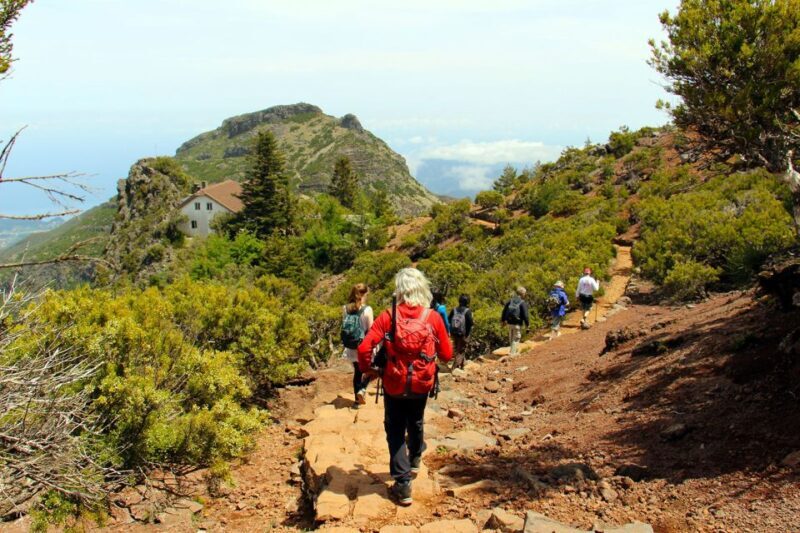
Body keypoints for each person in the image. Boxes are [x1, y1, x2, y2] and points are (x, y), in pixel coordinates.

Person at [358, 268, 452, 506]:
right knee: (416, 419)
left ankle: (402, 484)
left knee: (395, 428)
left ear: (399, 290)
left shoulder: (389, 316)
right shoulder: (432, 317)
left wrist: (369, 369)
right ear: (423, 288)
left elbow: (364, 349)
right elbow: (447, 354)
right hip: (421, 382)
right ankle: (416, 457)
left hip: (394, 381)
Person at [341, 283, 374, 407]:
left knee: (357, 371)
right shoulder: (367, 310)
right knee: (371, 370)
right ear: (364, 294)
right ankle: (362, 389)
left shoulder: (345, 308)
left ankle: (356, 401)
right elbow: (371, 330)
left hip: (351, 345)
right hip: (363, 345)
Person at [501, 286, 530, 355]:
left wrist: (503, 320)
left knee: (511, 338)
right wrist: (527, 325)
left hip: (509, 323)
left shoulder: (510, 300)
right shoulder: (522, 303)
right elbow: (525, 315)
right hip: (517, 324)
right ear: (523, 294)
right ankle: (512, 354)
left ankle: (512, 351)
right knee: (516, 338)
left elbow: (504, 311)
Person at [448, 294, 474, 370]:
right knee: (461, 351)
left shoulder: (454, 310)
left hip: (454, 332)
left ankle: (462, 366)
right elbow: (471, 323)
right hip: (463, 334)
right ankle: (454, 368)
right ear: (467, 302)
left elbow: (449, 319)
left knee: (457, 349)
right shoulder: (467, 311)